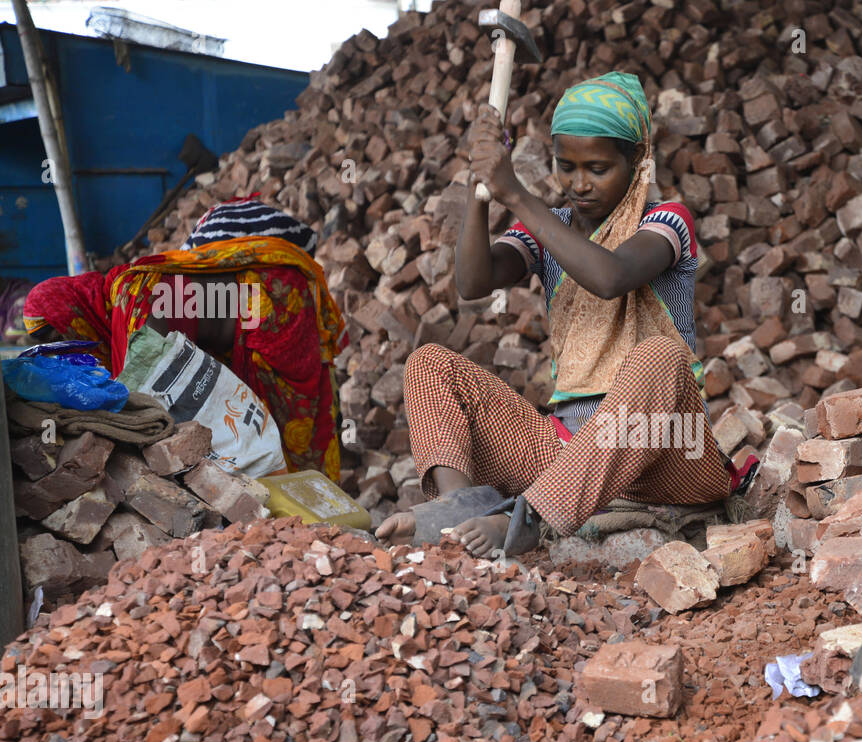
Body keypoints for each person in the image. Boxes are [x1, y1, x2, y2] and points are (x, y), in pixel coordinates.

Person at [378, 71, 754, 556]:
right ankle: (461, 509)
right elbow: (473, 283)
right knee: (429, 363)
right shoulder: (547, 228)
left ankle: (530, 518)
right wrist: (482, 187)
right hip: (567, 454)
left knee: (659, 355)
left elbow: (610, 277)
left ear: (637, 159)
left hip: (668, 455)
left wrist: (514, 191)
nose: (579, 184)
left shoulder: (665, 222)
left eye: (598, 169)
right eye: (566, 165)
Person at [21, 198, 347, 480]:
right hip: (259, 305)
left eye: (60, 336)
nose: (66, 351)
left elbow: (144, 395)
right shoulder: (120, 300)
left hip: (272, 300)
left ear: (71, 313)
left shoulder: (133, 296)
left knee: (289, 421)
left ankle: (316, 516)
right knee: (254, 423)